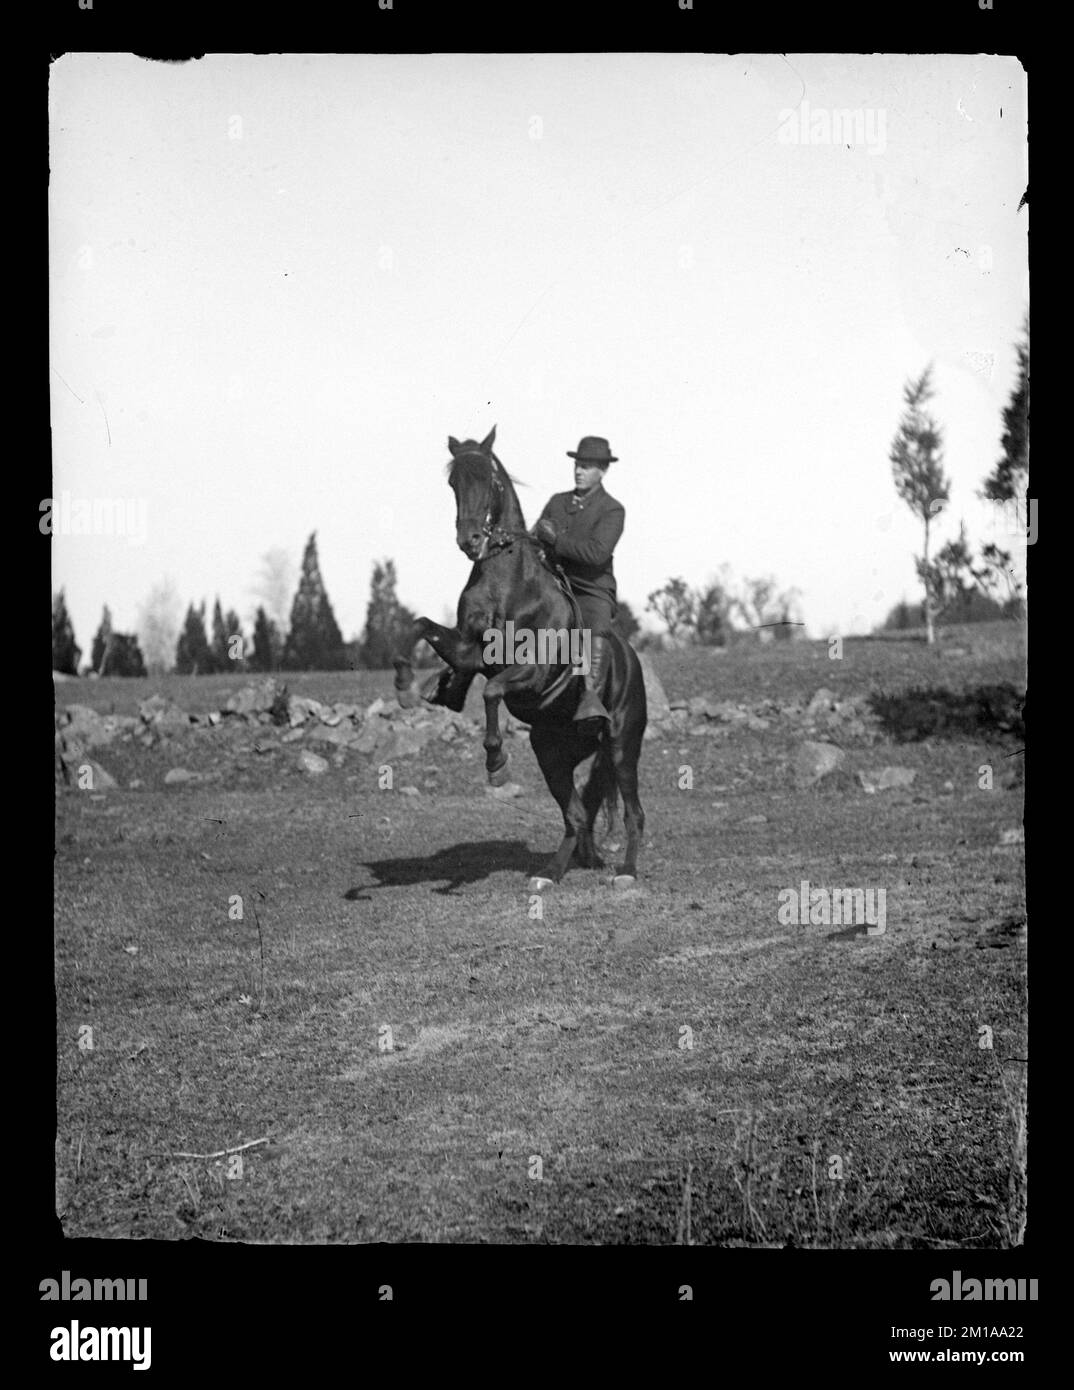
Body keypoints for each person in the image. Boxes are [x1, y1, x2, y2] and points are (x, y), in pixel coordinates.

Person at [533, 435, 625, 722]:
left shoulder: (612, 509)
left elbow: (597, 554)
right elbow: (535, 538)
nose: (578, 471)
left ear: (603, 471)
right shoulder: (557, 502)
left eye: (586, 466)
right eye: (577, 465)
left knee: (595, 624)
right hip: (554, 584)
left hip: (591, 589)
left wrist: (557, 541)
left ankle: (591, 695)